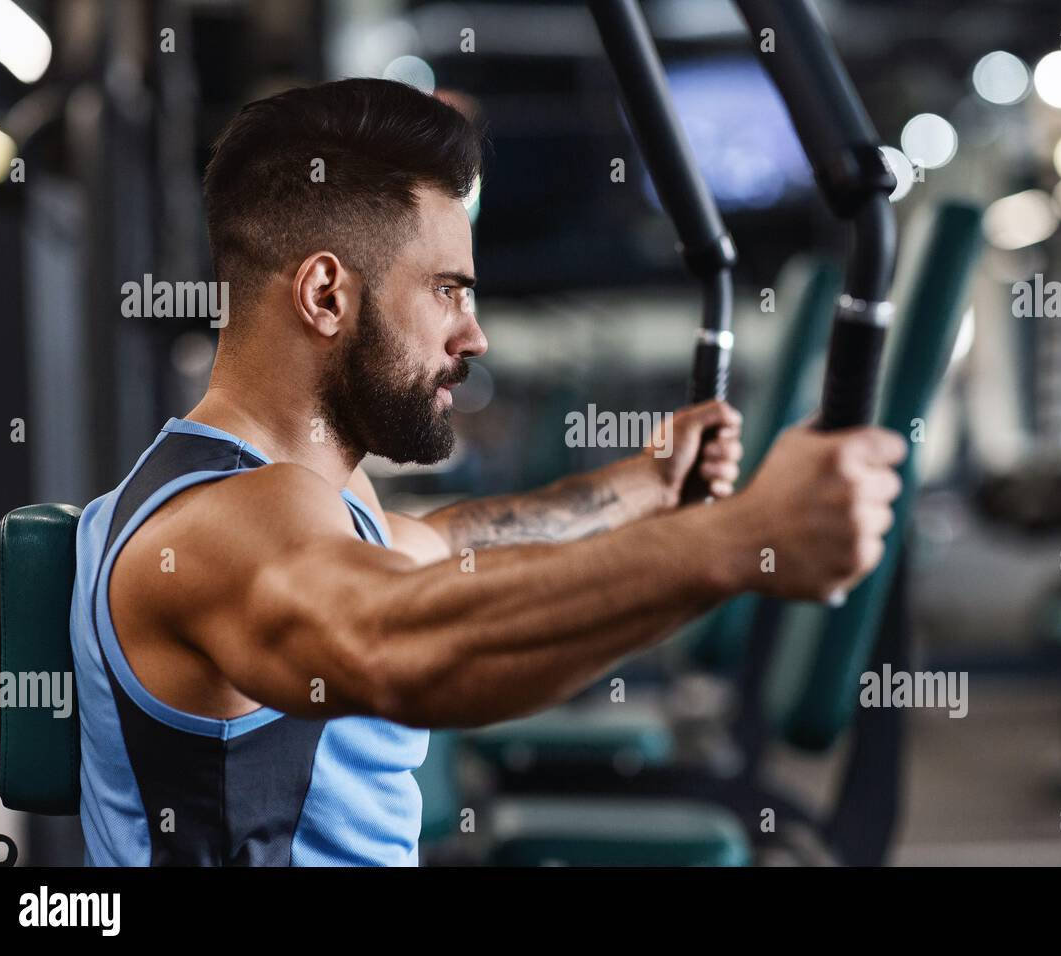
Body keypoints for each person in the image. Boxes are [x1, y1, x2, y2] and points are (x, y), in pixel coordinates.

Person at [71, 78, 906, 866]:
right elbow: (392, 643)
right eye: (446, 291)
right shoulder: (227, 522)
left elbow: (445, 544)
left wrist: (649, 485)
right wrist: (741, 538)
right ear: (326, 295)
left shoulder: (290, 494)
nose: (474, 337)